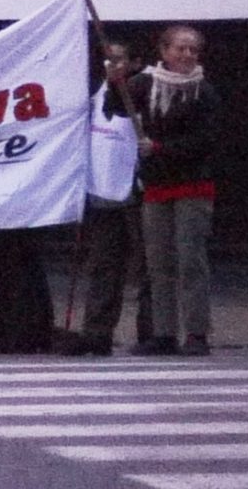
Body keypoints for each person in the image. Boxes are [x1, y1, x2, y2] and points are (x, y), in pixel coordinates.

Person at [131, 24, 218, 357]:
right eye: (181, 48)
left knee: (190, 259)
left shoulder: (203, 92)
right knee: (158, 262)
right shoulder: (146, 84)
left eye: (193, 49)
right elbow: (117, 105)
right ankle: (164, 332)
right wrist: (113, 80)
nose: (187, 54)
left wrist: (159, 148)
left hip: (193, 184)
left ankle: (196, 333)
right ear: (164, 51)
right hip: (157, 185)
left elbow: (204, 142)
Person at [68, 38, 152, 357]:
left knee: (147, 264)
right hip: (102, 188)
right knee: (104, 263)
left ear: (134, 63)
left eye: (119, 60)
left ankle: (152, 331)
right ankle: (97, 332)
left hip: (134, 188)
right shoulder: (95, 90)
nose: (111, 66)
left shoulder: (143, 89)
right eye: (107, 59)